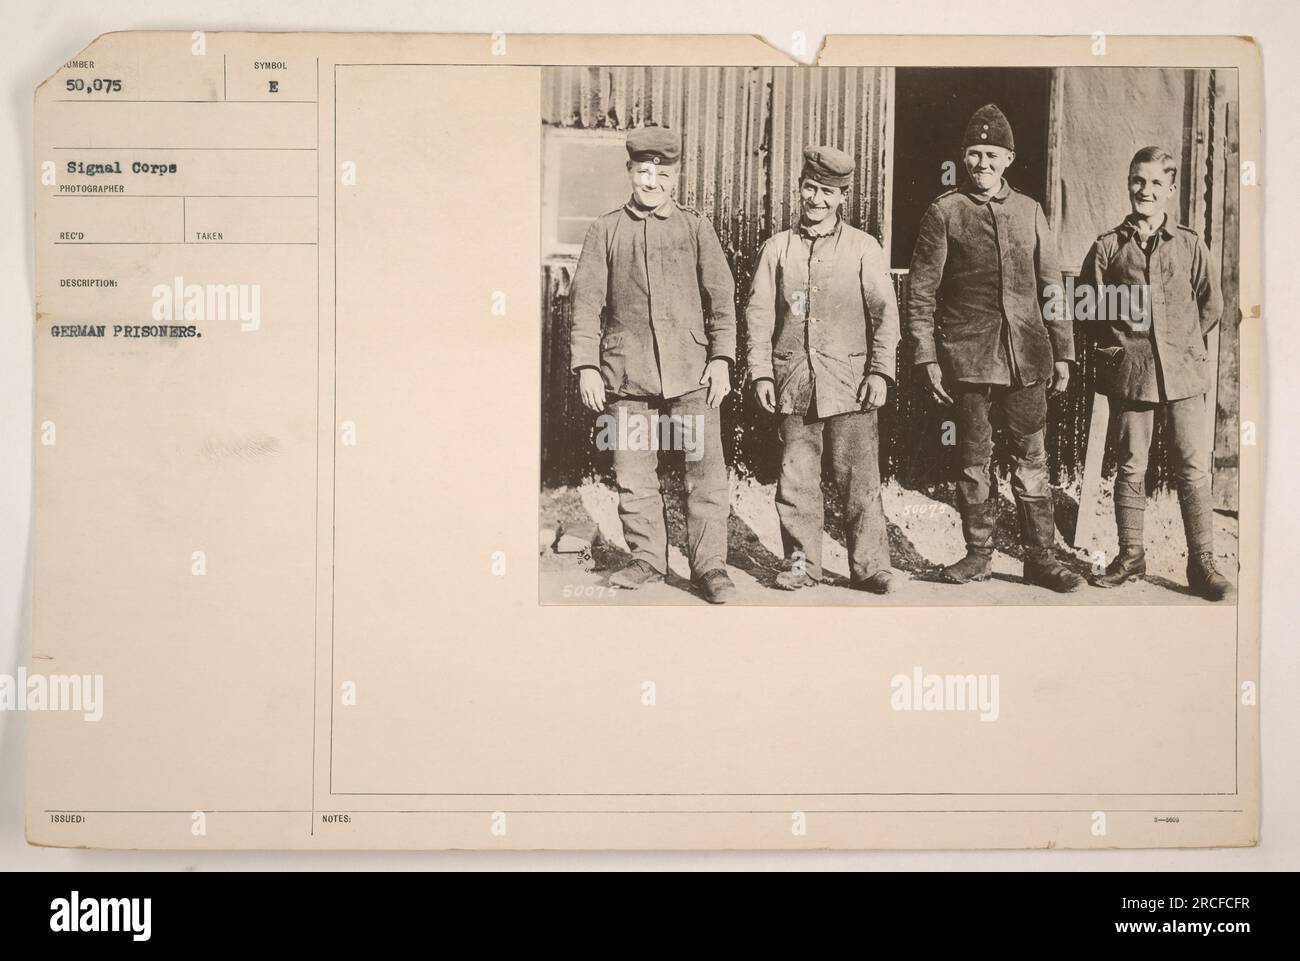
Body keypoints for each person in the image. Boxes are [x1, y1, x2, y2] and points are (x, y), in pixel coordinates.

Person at [906, 103, 1084, 593]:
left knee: (1032, 461)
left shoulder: (1029, 212)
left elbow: (1051, 287)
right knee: (972, 462)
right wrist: (925, 356)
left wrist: (1063, 351)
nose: (982, 164)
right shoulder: (945, 212)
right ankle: (979, 554)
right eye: (974, 154)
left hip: (1027, 359)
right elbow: (920, 292)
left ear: (1009, 158)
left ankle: (1041, 557)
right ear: (964, 158)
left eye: (992, 154)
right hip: (968, 361)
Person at [568, 125, 738, 604]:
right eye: (643, 172)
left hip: (691, 372)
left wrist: (722, 358)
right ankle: (647, 558)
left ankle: (710, 567)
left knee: (705, 473)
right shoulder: (605, 230)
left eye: (661, 173)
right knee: (634, 474)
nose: (651, 182)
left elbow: (722, 299)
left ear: (675, 176)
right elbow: (585, 306)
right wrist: (586, 366)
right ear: (629, 172)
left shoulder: (695, 228)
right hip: (626, 375)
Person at [745, 145, 901, 593]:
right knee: (796, 480)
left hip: (851, 384)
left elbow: (885, 315)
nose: (816, 199)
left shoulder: (863, 248)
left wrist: (879, 372)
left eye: (826, 192)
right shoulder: (778, 249)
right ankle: (802, 563)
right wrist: (761, 373)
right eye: (809, 188)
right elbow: (759, 316)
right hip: (793, 382)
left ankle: (871, 566)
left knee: (859, 480)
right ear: (799, 188)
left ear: (842, 197)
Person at [1083, 146, 1231, 601]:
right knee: (1131, 465)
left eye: (1154, 183)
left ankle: (1202, 563)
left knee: (1192, 468)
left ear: (1170, 190)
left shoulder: (1189, 244)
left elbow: (1212, 305)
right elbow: (1088, 307)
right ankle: (1131, 555)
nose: (1145, 191)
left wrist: (1180, 344)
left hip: (1184, 375)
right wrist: (1122, 346)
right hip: (1132, 373)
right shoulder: (1108, 246)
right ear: (1129, 184)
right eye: (1137, 181)